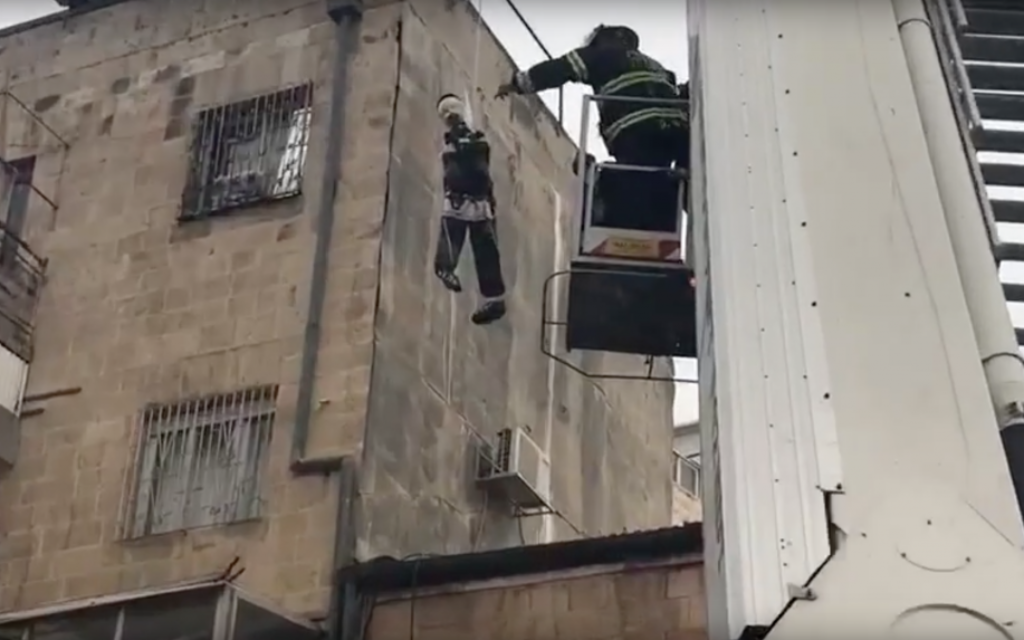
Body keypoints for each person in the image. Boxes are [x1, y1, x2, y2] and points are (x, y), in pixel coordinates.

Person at [496, 25, 689, 232]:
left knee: (630, 180)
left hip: (636, 131)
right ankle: (672, 210)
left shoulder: (602, 55)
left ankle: (609, 211)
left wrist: (519, 83)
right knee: (658, 178)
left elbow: (560, 69)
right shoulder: (657, 67)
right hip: (676, 133)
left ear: (601, 40)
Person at [433, 94, 507, 325]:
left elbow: (478, 157)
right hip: (469, 198)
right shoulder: (463, 141)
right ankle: (491, 295)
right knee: (476, 244)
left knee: (480, 246)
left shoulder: (471, 140)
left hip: (472, 199)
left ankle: (493, 297)